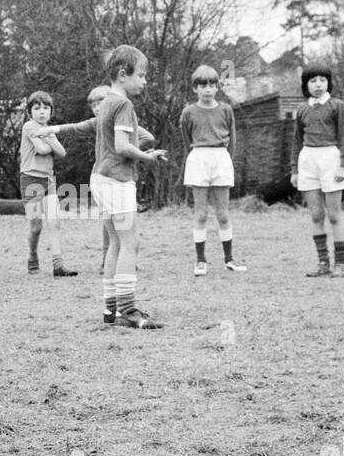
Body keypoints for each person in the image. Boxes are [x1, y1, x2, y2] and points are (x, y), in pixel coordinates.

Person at [43, 46, 168, 328]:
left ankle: (111, 309)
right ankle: (128, 310)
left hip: (101, 179)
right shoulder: (123, 105)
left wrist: (57, 129)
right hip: (117, 180)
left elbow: (88, 127)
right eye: (142, 75)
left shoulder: (108, 101)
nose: (145, 81)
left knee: (114, 243)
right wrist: (148, 156)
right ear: (123, 75)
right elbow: (124, 147)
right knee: (129, 243)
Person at [180, 64, 245, 276]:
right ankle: (200, 261)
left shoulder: (226, 109)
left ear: (217, 87)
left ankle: (229, 259)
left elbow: (232, 139)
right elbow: (186, 138)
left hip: (221, 158)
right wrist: (198, 153)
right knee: (201, 214)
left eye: (211, 85)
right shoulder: (188, 112)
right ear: (195, 89)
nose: (207, 89)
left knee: (223, 214)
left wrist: (226, 159)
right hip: (199, 157)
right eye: (202, 85)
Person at [290, 66, 344, 277]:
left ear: (328, 83)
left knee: (334, 215)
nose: (318, 85)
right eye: (313, 81)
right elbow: (296, 140)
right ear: (306, 85)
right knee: (316, 214)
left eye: (322, 80)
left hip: (330, 159)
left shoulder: (337, 106)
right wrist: (294, 170)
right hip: (308, 159)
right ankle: (323, 263)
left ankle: (341, 263)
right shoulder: (301, 109)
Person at [85, 85, 154, 269]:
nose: (98, 108)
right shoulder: (97, 123)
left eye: (101, 103)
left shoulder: (121, 118)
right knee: (108, 223)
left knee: (125, 225)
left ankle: (127, 260)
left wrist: (129, 148)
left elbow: (148, 137)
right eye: (94, 106)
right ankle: (107, 260)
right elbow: (76, 127)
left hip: (121, 176)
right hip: (102, 176)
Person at [19, 91, 78, 277]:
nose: (42, 112)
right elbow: (43, 149)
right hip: (30, 180)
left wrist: (49, 135)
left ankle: (58, 265)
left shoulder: (47, 130)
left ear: (51, 111)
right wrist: (49, 139)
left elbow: (62, 152)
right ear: (30, 112)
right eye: (37, 108)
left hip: (48, 180)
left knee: (54, 221)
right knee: (36, 227)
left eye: (46, 108)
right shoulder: (29, 126)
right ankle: (32, 256)